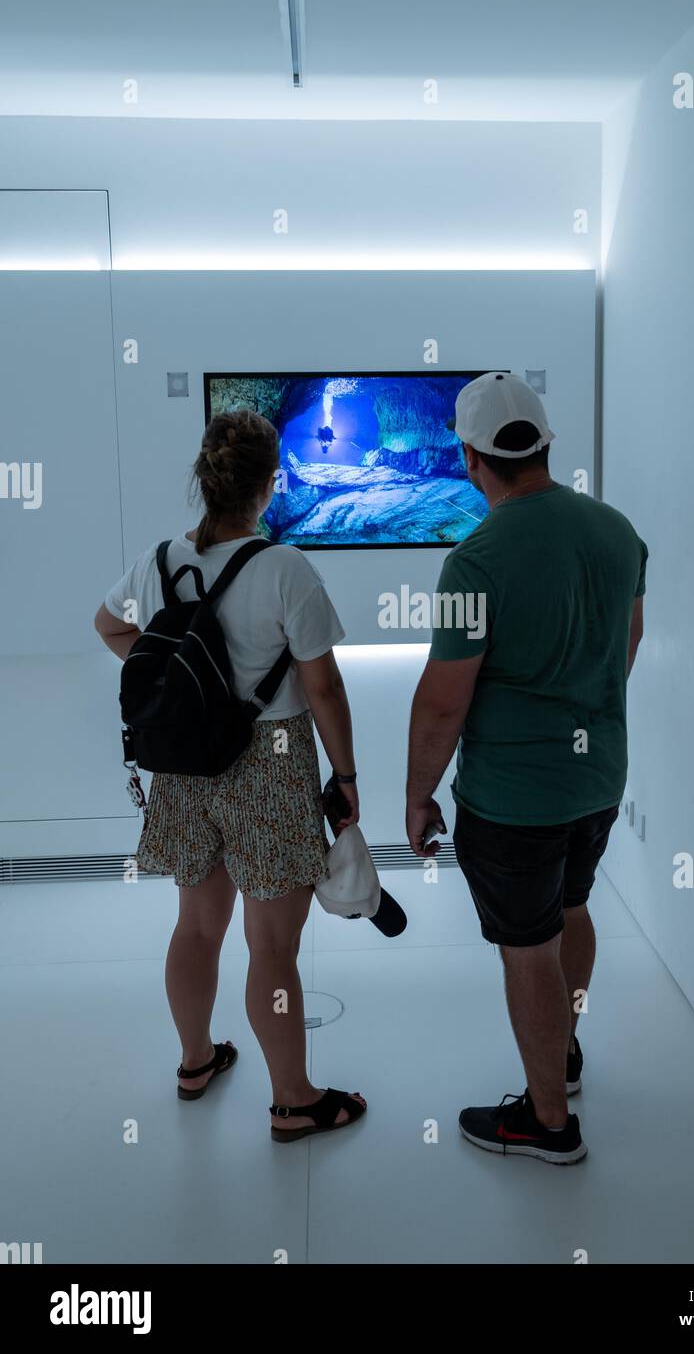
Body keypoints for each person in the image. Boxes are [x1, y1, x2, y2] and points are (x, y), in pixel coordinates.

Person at [94, 409, 366, 1143]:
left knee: (195, 926)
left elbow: (108, 624)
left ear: (204, 477)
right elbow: (325, 689)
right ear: (271, 484)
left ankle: (194, 1062)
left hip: (183, 766)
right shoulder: (285, 568)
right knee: (271, 946)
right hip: (271, 765)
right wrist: (345, 776)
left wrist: (183, 688)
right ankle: (293, 1100)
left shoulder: (156, 562)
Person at [406, 372, 647, 1165]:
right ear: (545, 445)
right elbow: (625, 650)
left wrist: (418, 795)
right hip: (599, 783)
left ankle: (548, 1123)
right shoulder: (619, 533)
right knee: (572, 908)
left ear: (473, 459)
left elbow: (444, 704)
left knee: (529, 947)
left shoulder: (471, 562)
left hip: (513, 800)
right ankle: (565, 1052)